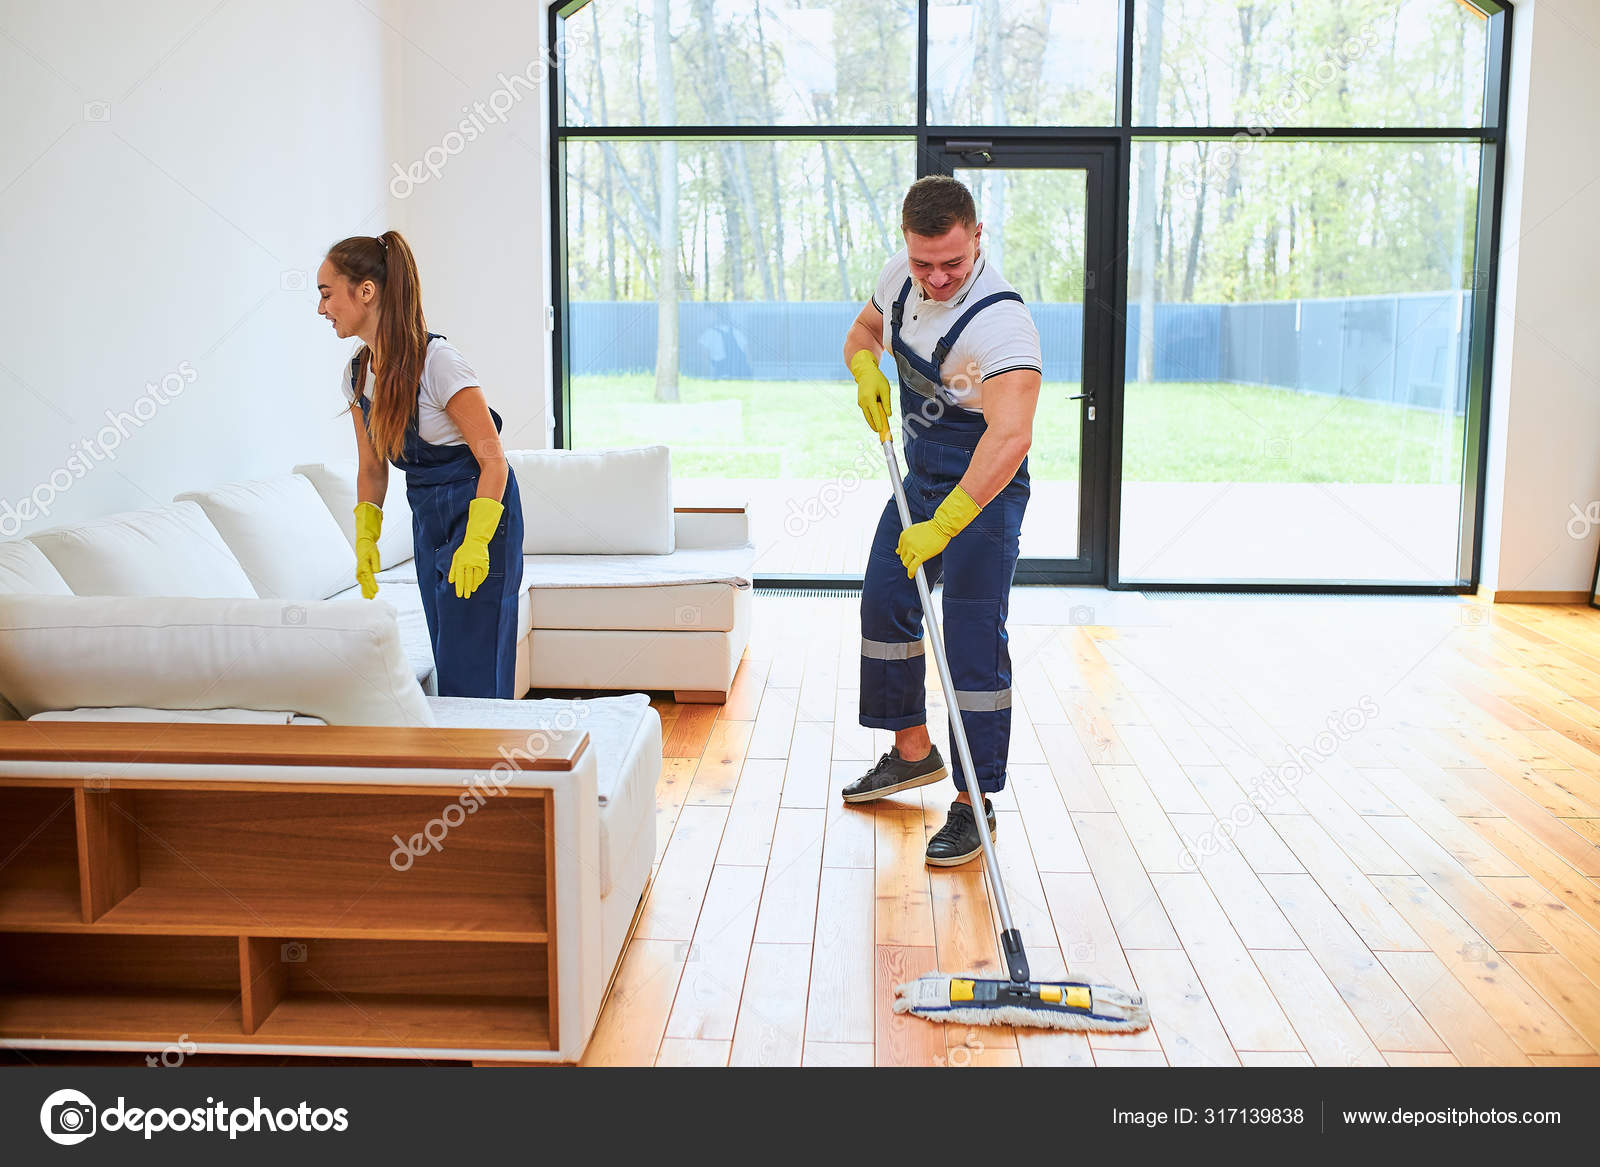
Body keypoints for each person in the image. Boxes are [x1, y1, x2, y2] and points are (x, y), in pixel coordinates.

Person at [839, 176, 1043, 867]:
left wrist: (947, 522)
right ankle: (912, 753)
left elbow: (1009, 437)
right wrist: (866, 368)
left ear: (977, 236)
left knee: (971, 641)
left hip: (983, 492)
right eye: (924, 261)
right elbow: (864, 331)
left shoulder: (1002, 321)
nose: (936, 276)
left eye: (951, 262)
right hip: (921, 473)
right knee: (885, 606)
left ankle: (973, 799)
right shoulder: (902, 278)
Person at [316, 231, 524, 699]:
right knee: (447, 654)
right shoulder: (357, 375)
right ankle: (455, 767)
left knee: (473, 664)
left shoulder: (439, 363)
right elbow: (372, 469)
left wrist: (476, 540)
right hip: (428, 520)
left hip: (481, 513)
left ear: (365, 291)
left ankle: (489, 765)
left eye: (327, 294)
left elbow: (496, 463)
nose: (321, 309)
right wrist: (365, 537)